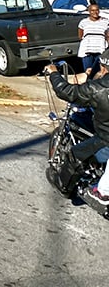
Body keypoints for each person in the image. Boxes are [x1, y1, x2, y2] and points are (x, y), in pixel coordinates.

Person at [44, 55, 109, 204]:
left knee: (75, 154)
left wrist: (54, 73)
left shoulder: (98, 88)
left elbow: (65, 91)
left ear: (104, 67)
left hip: (105, 141)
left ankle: (63, 185)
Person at [77, 2, 109, 79]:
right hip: (87, 49)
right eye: (92, 10)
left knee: (100, 72)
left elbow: (107, 35)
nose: (95, 12)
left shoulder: (105, 21)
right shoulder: (83, 22)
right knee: (88, 72)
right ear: (89, 11)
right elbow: (80, 36)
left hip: (100, 49)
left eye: (97, 10)